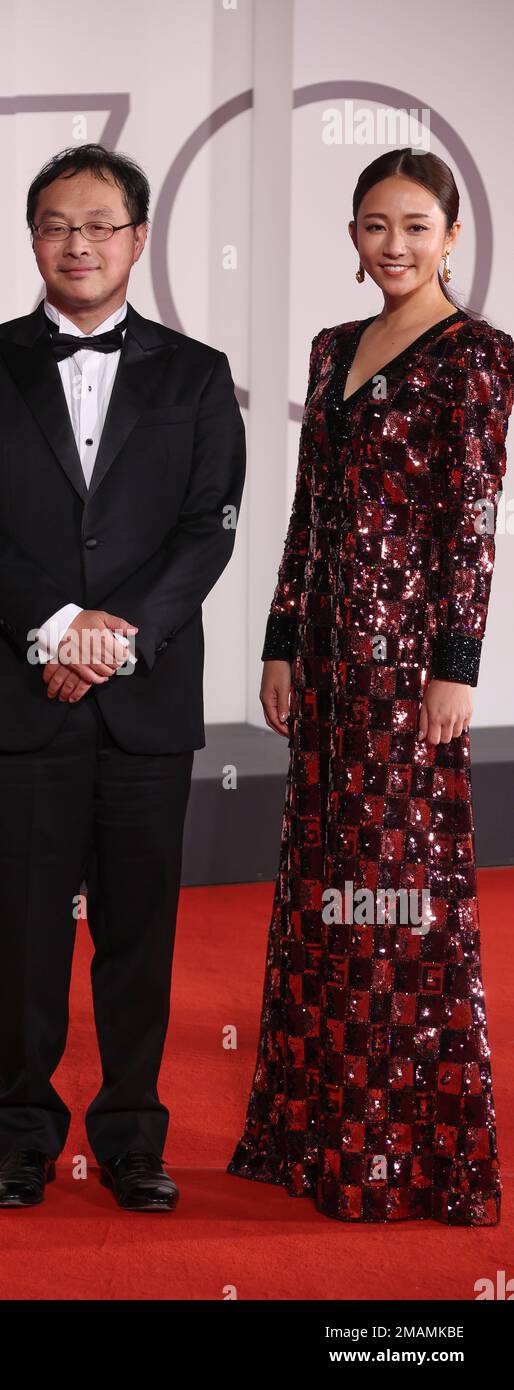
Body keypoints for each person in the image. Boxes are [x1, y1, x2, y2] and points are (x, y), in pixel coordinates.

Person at [0, 143, 246, 1210]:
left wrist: (114, 639)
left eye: (99, 224)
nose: (78, 242)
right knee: (19, 935)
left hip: (143, 702)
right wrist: (59, 627)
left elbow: (206, 529)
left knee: (138, 934)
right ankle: (20, 1132)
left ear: (138, 238)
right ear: (33, 239)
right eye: (58, 224)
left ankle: (131, 1134)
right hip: (19, 698)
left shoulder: (196, 373)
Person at [228, 148, 512, 1224]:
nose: (392, 246)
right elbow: (309, 510)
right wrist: (276, 642)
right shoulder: (330, 347)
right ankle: (311, 1127)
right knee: (321, 889)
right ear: (352, 240)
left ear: (451, 236)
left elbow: (468, 527)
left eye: (413, 225)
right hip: (328, 674)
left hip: (406, 679)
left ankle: (393, 1150)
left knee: (396, 898)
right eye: (372, 226)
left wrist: (455, 668)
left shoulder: (478, 359)